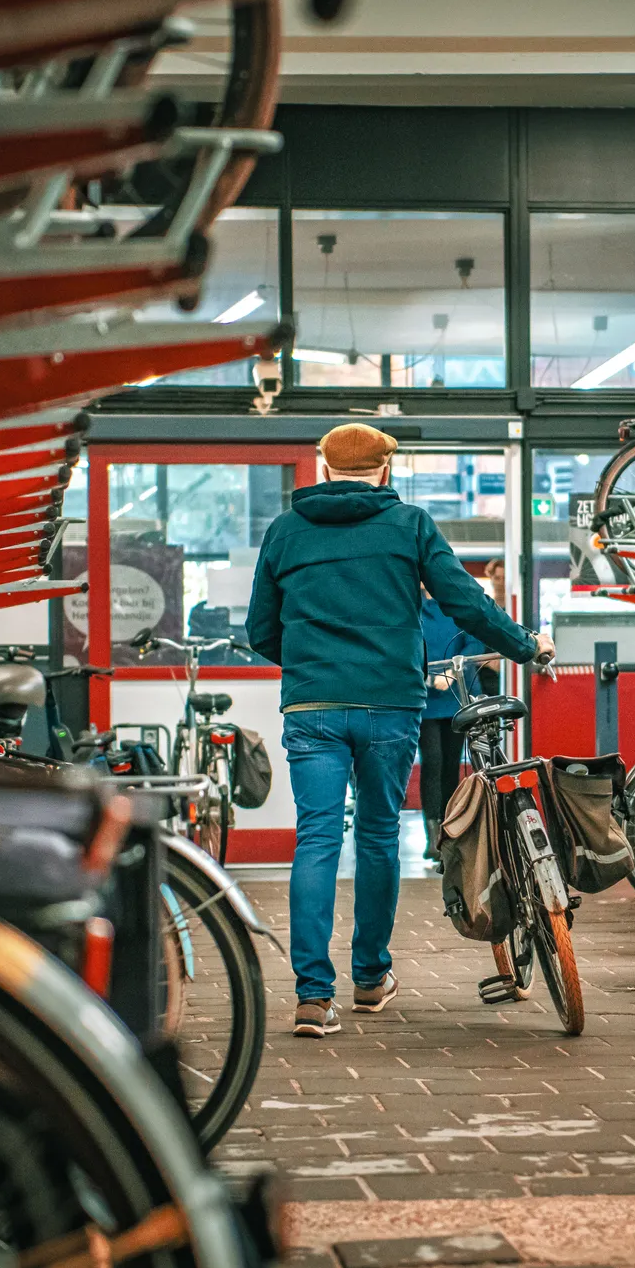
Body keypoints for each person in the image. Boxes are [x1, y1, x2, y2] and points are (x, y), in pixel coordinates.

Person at [246, 423, 553, 1038]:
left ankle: (312, 997)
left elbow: (262, 630)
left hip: (313, 708)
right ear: (385, 470)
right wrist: (525, 647)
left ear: (323, 468)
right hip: (390, 703)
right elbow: (465, 602)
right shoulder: (410, 524)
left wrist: (313, 664)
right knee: (381, 834)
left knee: (317, 837)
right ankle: (368, 978)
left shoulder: (285, 531)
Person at [418, 585, 497, 864]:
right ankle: (432, 832)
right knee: (433, 762)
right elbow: (407, 642)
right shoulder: (414, 607)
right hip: (426, 698)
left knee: (452, 763)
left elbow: (474, 639)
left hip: (456, 694)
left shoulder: (455, 605)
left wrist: (456, 668)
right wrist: (428, 674)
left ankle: (450, 830)